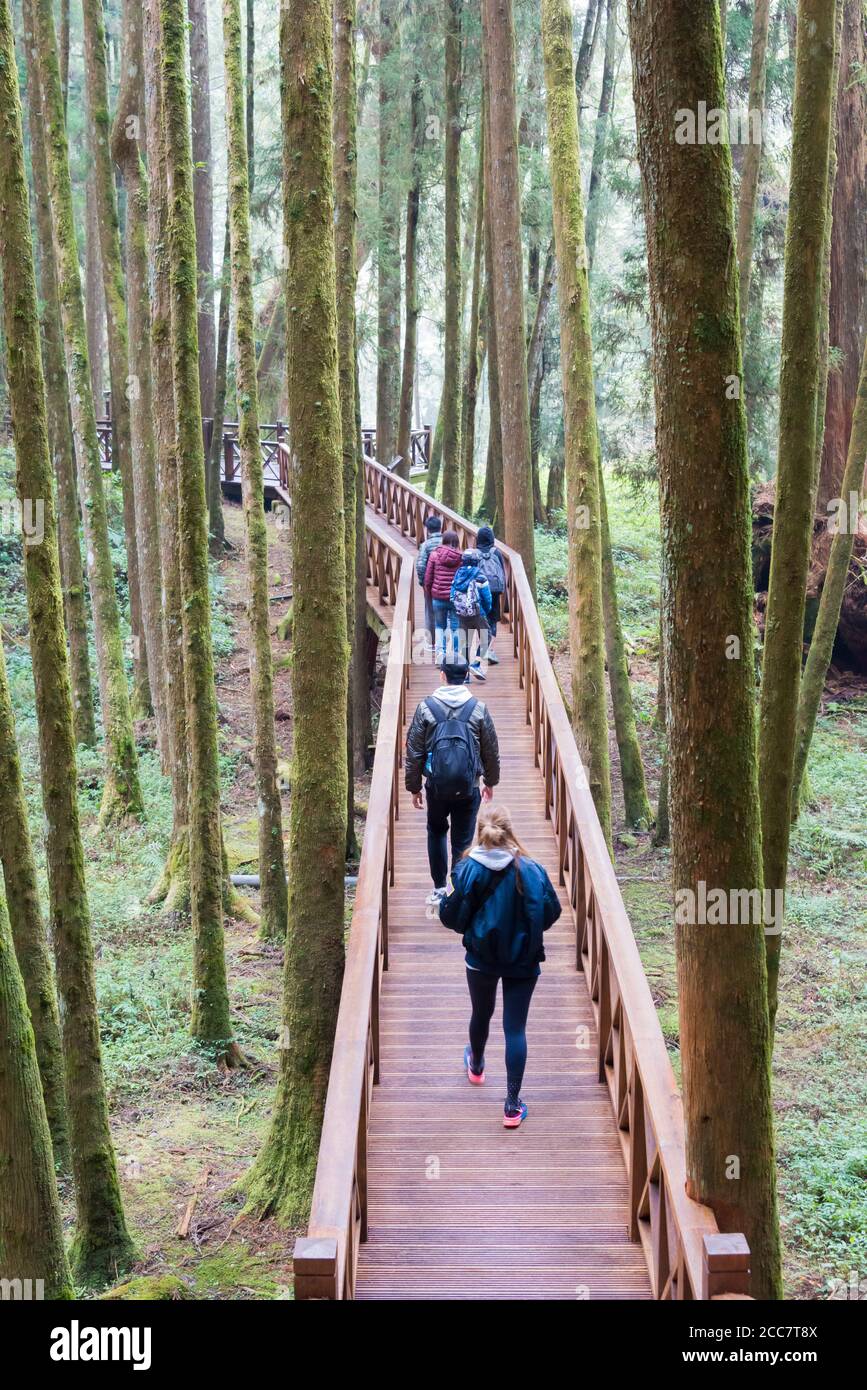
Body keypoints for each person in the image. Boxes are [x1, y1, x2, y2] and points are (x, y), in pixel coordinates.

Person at [439, 805, 561, 1128]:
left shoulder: (466, 870)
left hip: (480, 959)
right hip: (523, 960)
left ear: (480, 832)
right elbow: (552, 912)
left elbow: (450, 917)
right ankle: (511, 1105)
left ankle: (477, 1064)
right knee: (515, 1028)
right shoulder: (532, 870)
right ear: (510, 831)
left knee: (481, 1013)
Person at [405, 657, 500, 908]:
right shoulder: (478, 708)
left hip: (436, 786)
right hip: (469, 786)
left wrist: (414, 787)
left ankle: (438, 889)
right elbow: (490, 749)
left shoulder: (426, 708)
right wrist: (490, 781)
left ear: (442, 676)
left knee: (436, 832)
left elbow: (414, 752)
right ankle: (459, 891)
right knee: (462, 839)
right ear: (466, 675)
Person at [450, 548, 493, 681]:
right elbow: (487, 598)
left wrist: (458, 609)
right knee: (487, 636)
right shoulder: (480, 576)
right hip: (478, 613)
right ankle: (477, 663)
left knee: (465, 643)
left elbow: (452, 594)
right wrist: (487, 610)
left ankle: (465, 676)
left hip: (462, 614)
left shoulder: (458, 575)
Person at [423, 529, 463, 664]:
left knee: (440, 626)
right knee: (455, 626)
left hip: (438, 596)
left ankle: (440, 656)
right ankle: (457, 655)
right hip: (455, 597)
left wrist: (428, 593)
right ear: (457, 542)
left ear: (443, 540)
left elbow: (428, 578)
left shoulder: (434, 555)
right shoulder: (461, 557)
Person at [475, 525, 506, 664]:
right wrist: (502, 588)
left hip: (480, 589)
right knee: (493, 619)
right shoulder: (496, 552)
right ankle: (490, 650)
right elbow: (502, 572)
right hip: (494, 589)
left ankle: (482, 648)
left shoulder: (475, 553)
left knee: (481, 618)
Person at [416, 514, 442, 650]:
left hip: (431, 584)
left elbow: (420, 565)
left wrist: (423, 582)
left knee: (430, 611)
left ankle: (432, 643)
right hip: (448, 583)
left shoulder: (425, 545)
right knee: (448, 612)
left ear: (428, 529)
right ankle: (446, 642)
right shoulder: (447, 542)